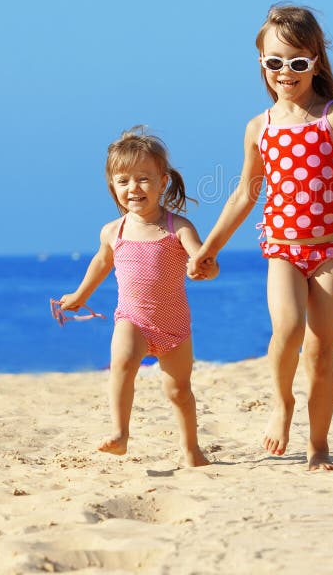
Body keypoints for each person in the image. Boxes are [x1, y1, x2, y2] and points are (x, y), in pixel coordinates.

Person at [188, 4, 333, 471]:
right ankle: (282, 402)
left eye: (299, 62)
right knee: (286, 330)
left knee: (321, 352)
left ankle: (319, 446)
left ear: (316, 63)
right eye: (275, 62)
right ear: (262, 65)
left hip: (331, 250)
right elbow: (244, 194)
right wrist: (208, 248)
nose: (287, 72)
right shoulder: (259, 128)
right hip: (282, 248)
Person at [58, 127, 218, 467]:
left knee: (178, 392)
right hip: (132, 318)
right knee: (122, 365)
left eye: (144, 179)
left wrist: (204, 268)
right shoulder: (112, 231)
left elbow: (201, 258)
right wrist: (79, 294)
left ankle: (191, 449)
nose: (134, 188)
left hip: (173, 326)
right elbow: (101, 263)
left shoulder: (178, 227)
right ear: (113, 188)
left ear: (163, 182)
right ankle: (120, 434)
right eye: (124, 181)